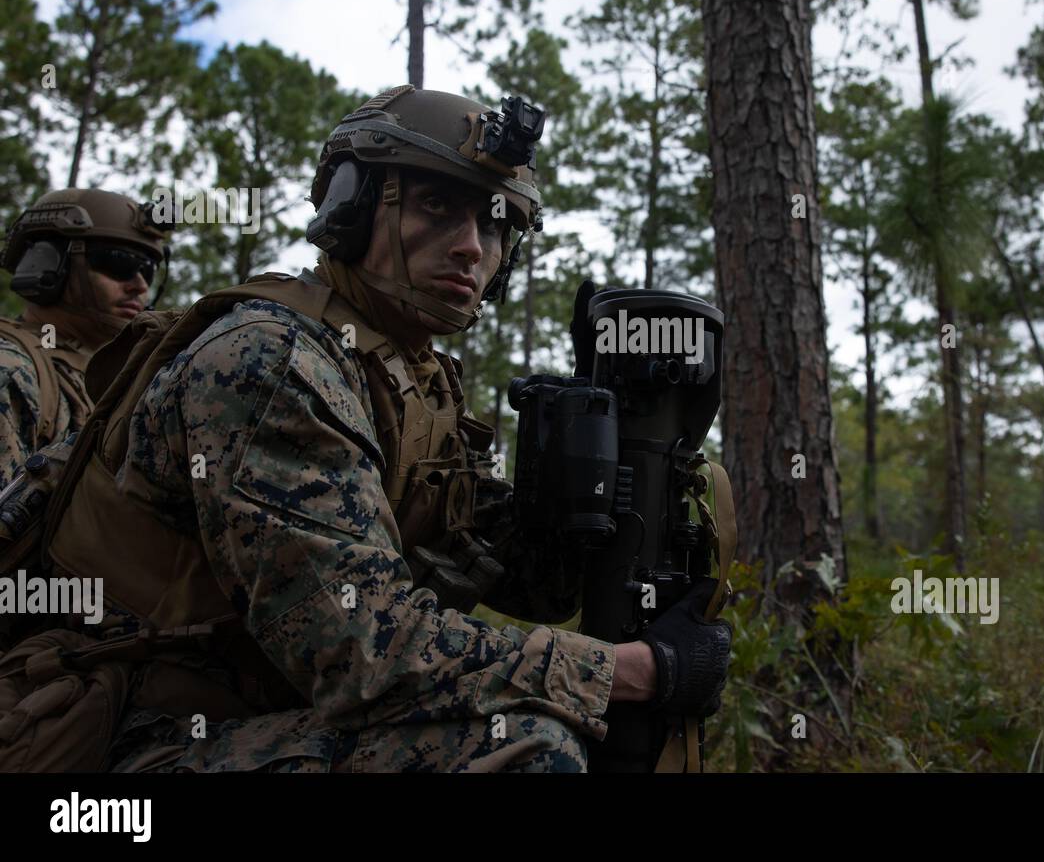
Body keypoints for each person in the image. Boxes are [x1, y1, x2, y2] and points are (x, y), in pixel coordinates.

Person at [43, 86, 731, 772]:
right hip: (124, 731)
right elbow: (363, 654)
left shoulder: (411, 378)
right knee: (527, 750)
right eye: (437, 206)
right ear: (352, 205)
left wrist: (590, 501)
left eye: (493, 226)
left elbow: (514, 582)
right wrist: (636, 671)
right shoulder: (274, 360)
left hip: (256, 712)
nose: (471, 247)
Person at [0, 188, 167, 483]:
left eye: (148, 270)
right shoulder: (11, 370)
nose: (140, 285)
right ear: (47, 263)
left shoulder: (131, 382)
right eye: (119, 263)